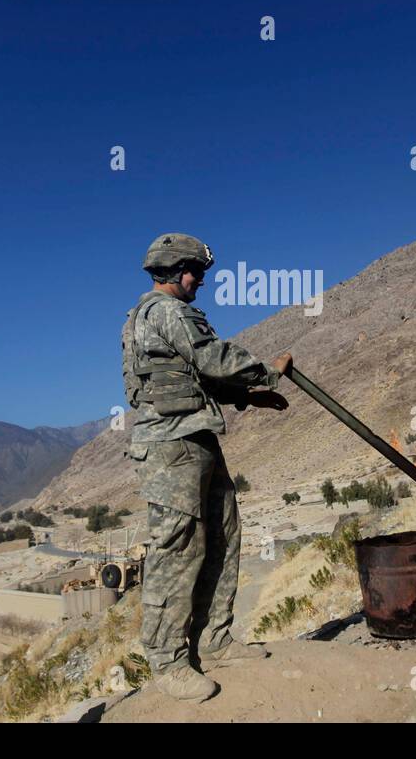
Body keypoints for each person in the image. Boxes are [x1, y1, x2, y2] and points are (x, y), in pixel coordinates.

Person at [122, 233, 292, 702]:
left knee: (222, 535)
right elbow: (213, 359)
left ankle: (214, 639)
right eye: (196, 271)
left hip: (194, 441)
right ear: (176, 270)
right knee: (178, 551)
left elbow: (191, 379)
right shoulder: (167, 312)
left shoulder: (152, 317)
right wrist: (269, 372)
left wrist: (250, 397)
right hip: (170, 449)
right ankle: (167, 660)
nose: (201, 281)